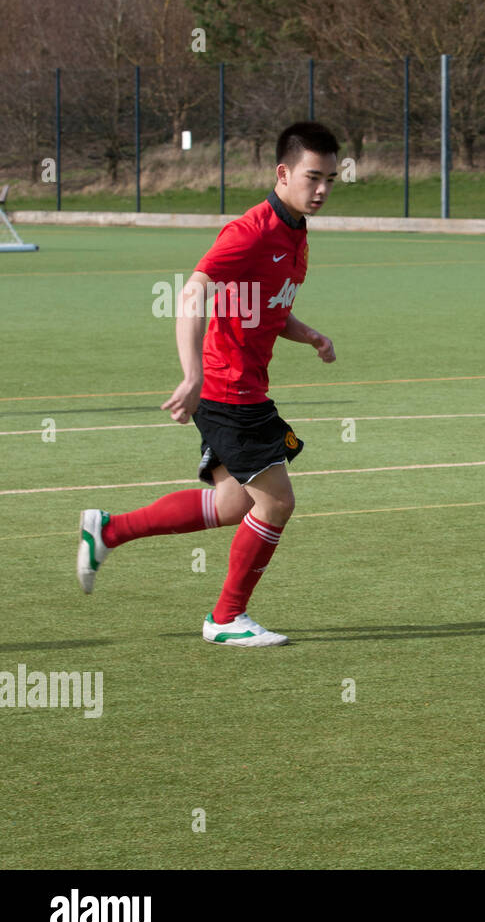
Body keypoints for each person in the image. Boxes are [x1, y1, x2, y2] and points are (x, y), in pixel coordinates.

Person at [76, 122, 340, 646]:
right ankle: (225, 619)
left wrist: (309, 335)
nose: (324, 189)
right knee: (277, 502)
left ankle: (107, 530)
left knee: (231, 505)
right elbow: (192, 293)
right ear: (283, 173)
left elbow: (270, 307)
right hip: (227, 391)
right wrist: (192, 374)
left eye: (332, 178)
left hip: (247, 389)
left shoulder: (295, 233)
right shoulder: (250, 232)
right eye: (314, 177)